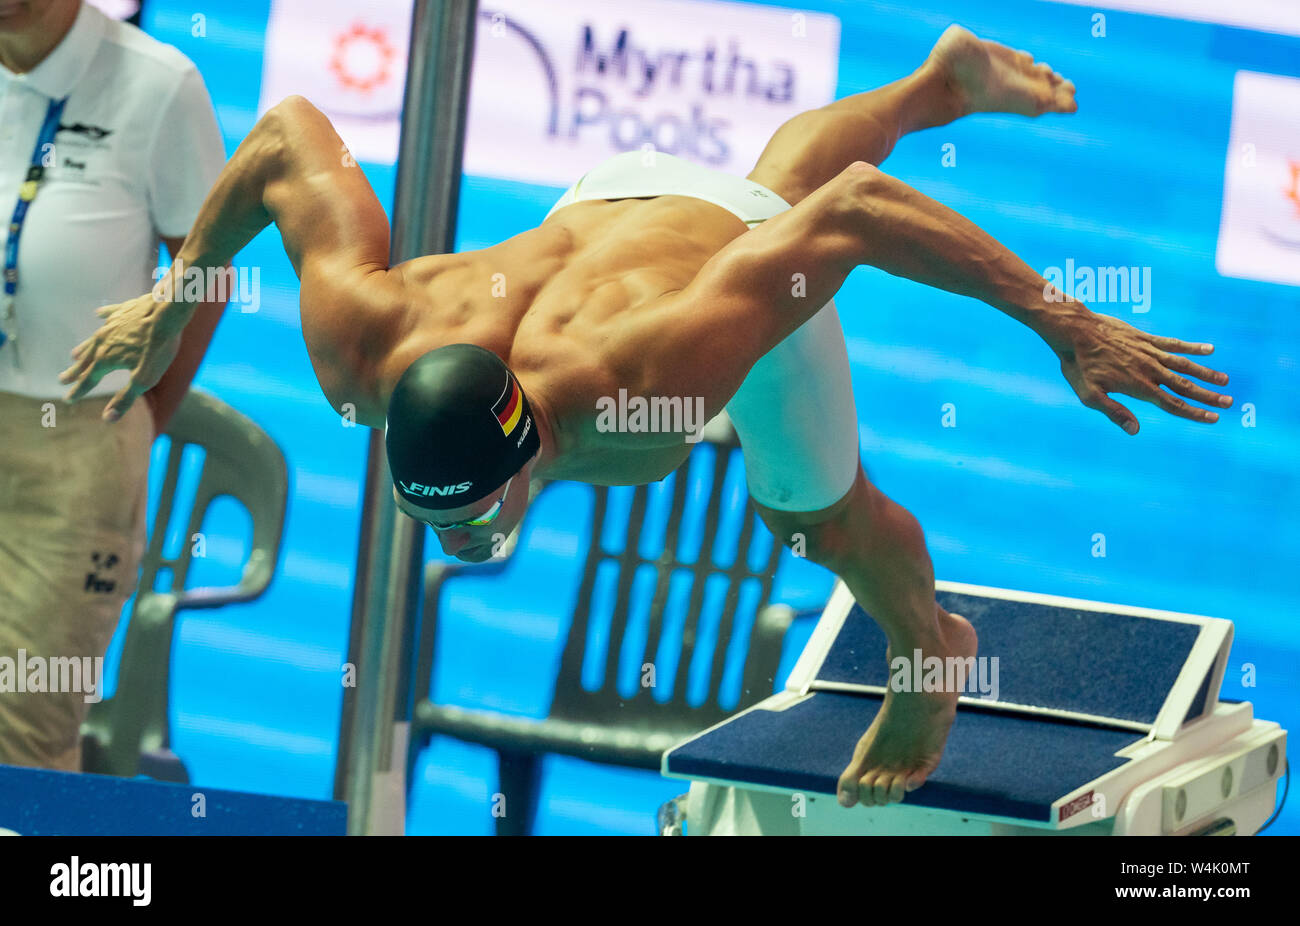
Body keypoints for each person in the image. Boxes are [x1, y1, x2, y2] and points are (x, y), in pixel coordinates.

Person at [60, 25, 1232, 806]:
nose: (464, 540)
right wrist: (171, 301)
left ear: (535, 445)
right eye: (441, 522)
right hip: (613, 203)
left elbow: (857, 211)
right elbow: (283, 138)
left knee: (819, 519)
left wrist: (1061, 322)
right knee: (762, 185)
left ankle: (934, 648)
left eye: (477, 515)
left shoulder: (648, 369)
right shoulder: (363, 343)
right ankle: (934, 82)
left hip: (724, 282)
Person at [0, 0, 225, 770]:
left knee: (20, 737)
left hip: (77, 450)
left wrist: (138, 415)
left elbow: (207, 273)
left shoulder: (158, 85)